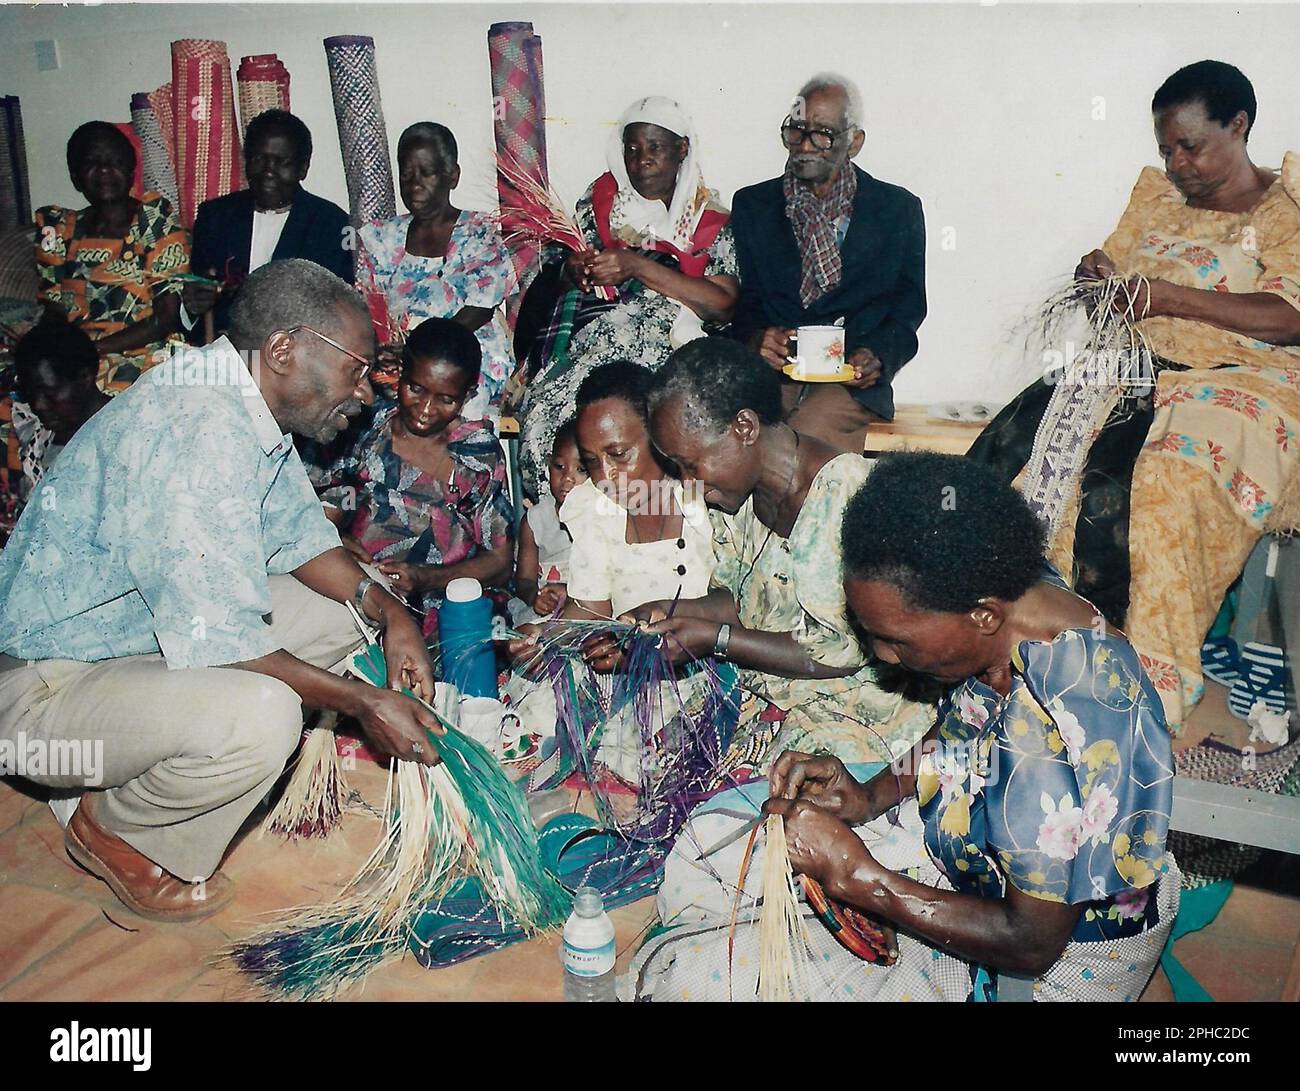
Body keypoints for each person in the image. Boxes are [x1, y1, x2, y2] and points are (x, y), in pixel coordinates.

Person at [629, 452, 1178, 1003]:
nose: (884, 657)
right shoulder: (1015, 596)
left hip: (1044, 965)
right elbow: (961, 727)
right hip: (979, 865)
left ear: (983, 615)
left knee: (697, 982)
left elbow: (1030, 942)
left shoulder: (1048, 730)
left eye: (896, 639)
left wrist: (860, 878)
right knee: (708, 850)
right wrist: (869, 796)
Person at [0, 259, 443, 922]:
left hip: (122, 645)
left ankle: (147, 754)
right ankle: (115, 827)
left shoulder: (235, 395)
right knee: (263, 714)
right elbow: (225, 643)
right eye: (357, 368)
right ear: (285, 350)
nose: (366, 391)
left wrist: (392, 614)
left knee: (351, 606)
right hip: (38, 695)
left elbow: (302, 541)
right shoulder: (195, 430)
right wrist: (363, 701)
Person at [968, 60, 1300, 732]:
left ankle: (1137, 704)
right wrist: (1101, 279)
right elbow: (1117, 282)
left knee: (1163, 491)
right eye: (1167, 149)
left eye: (1192, 146)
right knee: (1027, 473)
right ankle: (1026, 671)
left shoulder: (1282, 209)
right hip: (1135, 373)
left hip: (1242, 383)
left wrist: (1171, 296)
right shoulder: (1154, 201)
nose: (1178, 163)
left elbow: (1289, 315)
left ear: (1239, 126)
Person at [631, 337, 932, 772]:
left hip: (856, 708)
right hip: (774, 685)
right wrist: (669, 610)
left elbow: (837, 651)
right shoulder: (735, 500)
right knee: (643, 749)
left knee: (745, 798)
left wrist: (715, 641)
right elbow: (737, 599)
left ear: (745, 428)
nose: (688, 483)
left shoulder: (846, 497)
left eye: (691, 464)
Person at [506, 361, 720, 787]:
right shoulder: (595, 509)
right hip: (618, 668)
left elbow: (735, 608)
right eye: (591, 461)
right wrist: (546, 637)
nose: (606, 476)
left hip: (692, 670)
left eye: (620, 454)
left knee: (648, 760)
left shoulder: (703, 502)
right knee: (528, 725)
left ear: (661, 437)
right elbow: (593, 612)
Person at [516, 96, 739, 496]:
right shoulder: (596, 207)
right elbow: (554, 277)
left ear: (682, 149)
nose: (642, 160)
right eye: (632, 150)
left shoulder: (711, 222)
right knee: (545, 424)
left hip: (665, 356)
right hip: (589, 343)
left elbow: (722, 303)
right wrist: (573, 272)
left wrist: (637, 267)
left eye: (656, 148)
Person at [728, 73, 926, 455]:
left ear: (854, 142)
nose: (804, 145)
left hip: (849, 385)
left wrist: (878, 358)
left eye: (823, 134)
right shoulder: (754, 205)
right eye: (796, 131)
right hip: (774, 377)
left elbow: (908, 311)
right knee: (740, 435)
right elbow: (746, 304)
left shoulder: (897, 210)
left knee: (797, 447)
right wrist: (757, 339)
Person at [318, 316, 513, 640]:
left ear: (468, 394)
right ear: (400, 376)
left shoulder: (477, 457)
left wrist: (425, 578)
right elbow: (325, 514)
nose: (425, 409)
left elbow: (499, 561)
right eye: (416, 389)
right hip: (360, 590)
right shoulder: (367, 431)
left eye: (445, 399)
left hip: (448, 600)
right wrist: (339, 543)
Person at [356, 122, 515, 423]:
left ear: (452, 176)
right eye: (407, 173)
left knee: (453, 405)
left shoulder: (478, 232)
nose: (415, 183)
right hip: (400, 358)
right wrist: (384, 351)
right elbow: (368, 307)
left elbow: (478, 311)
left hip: (462, 356)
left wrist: (417, 351)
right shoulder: (383, 238)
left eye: (426, 172)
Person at [34, 121, 189, 391]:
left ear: (131, 173)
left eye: (114, 161)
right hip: (77, 357)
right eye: (92, 162)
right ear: (75, 177)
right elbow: (54, 308)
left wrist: (93, 351)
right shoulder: (59, 229)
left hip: (144, 352)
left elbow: (165, 317)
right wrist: (56, 350)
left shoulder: (153, 221)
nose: (104, 170)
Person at [181, 109, 354, 339]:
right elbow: (195, 303)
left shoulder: (332, 225)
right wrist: (191, 307)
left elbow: (333, 315)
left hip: (293, 357)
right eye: (259, 159)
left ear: (303, 168)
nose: (268, 172)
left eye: (281, 162)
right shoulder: (215, 217)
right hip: (222, 353)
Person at [7, 319, 109, 512]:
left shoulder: (123, 438)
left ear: (85, 378)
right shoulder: (38, 439)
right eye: (30, 394)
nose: (38, 405)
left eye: (49, 394)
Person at [508, 416, 588, 626]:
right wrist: (536, 597)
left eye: (581, 470)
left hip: (589, 608)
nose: (567, 478)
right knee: (525, 642)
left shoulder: (605, 518)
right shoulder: (535, 520)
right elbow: (524, 580)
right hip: (545, 611)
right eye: (559, 466)